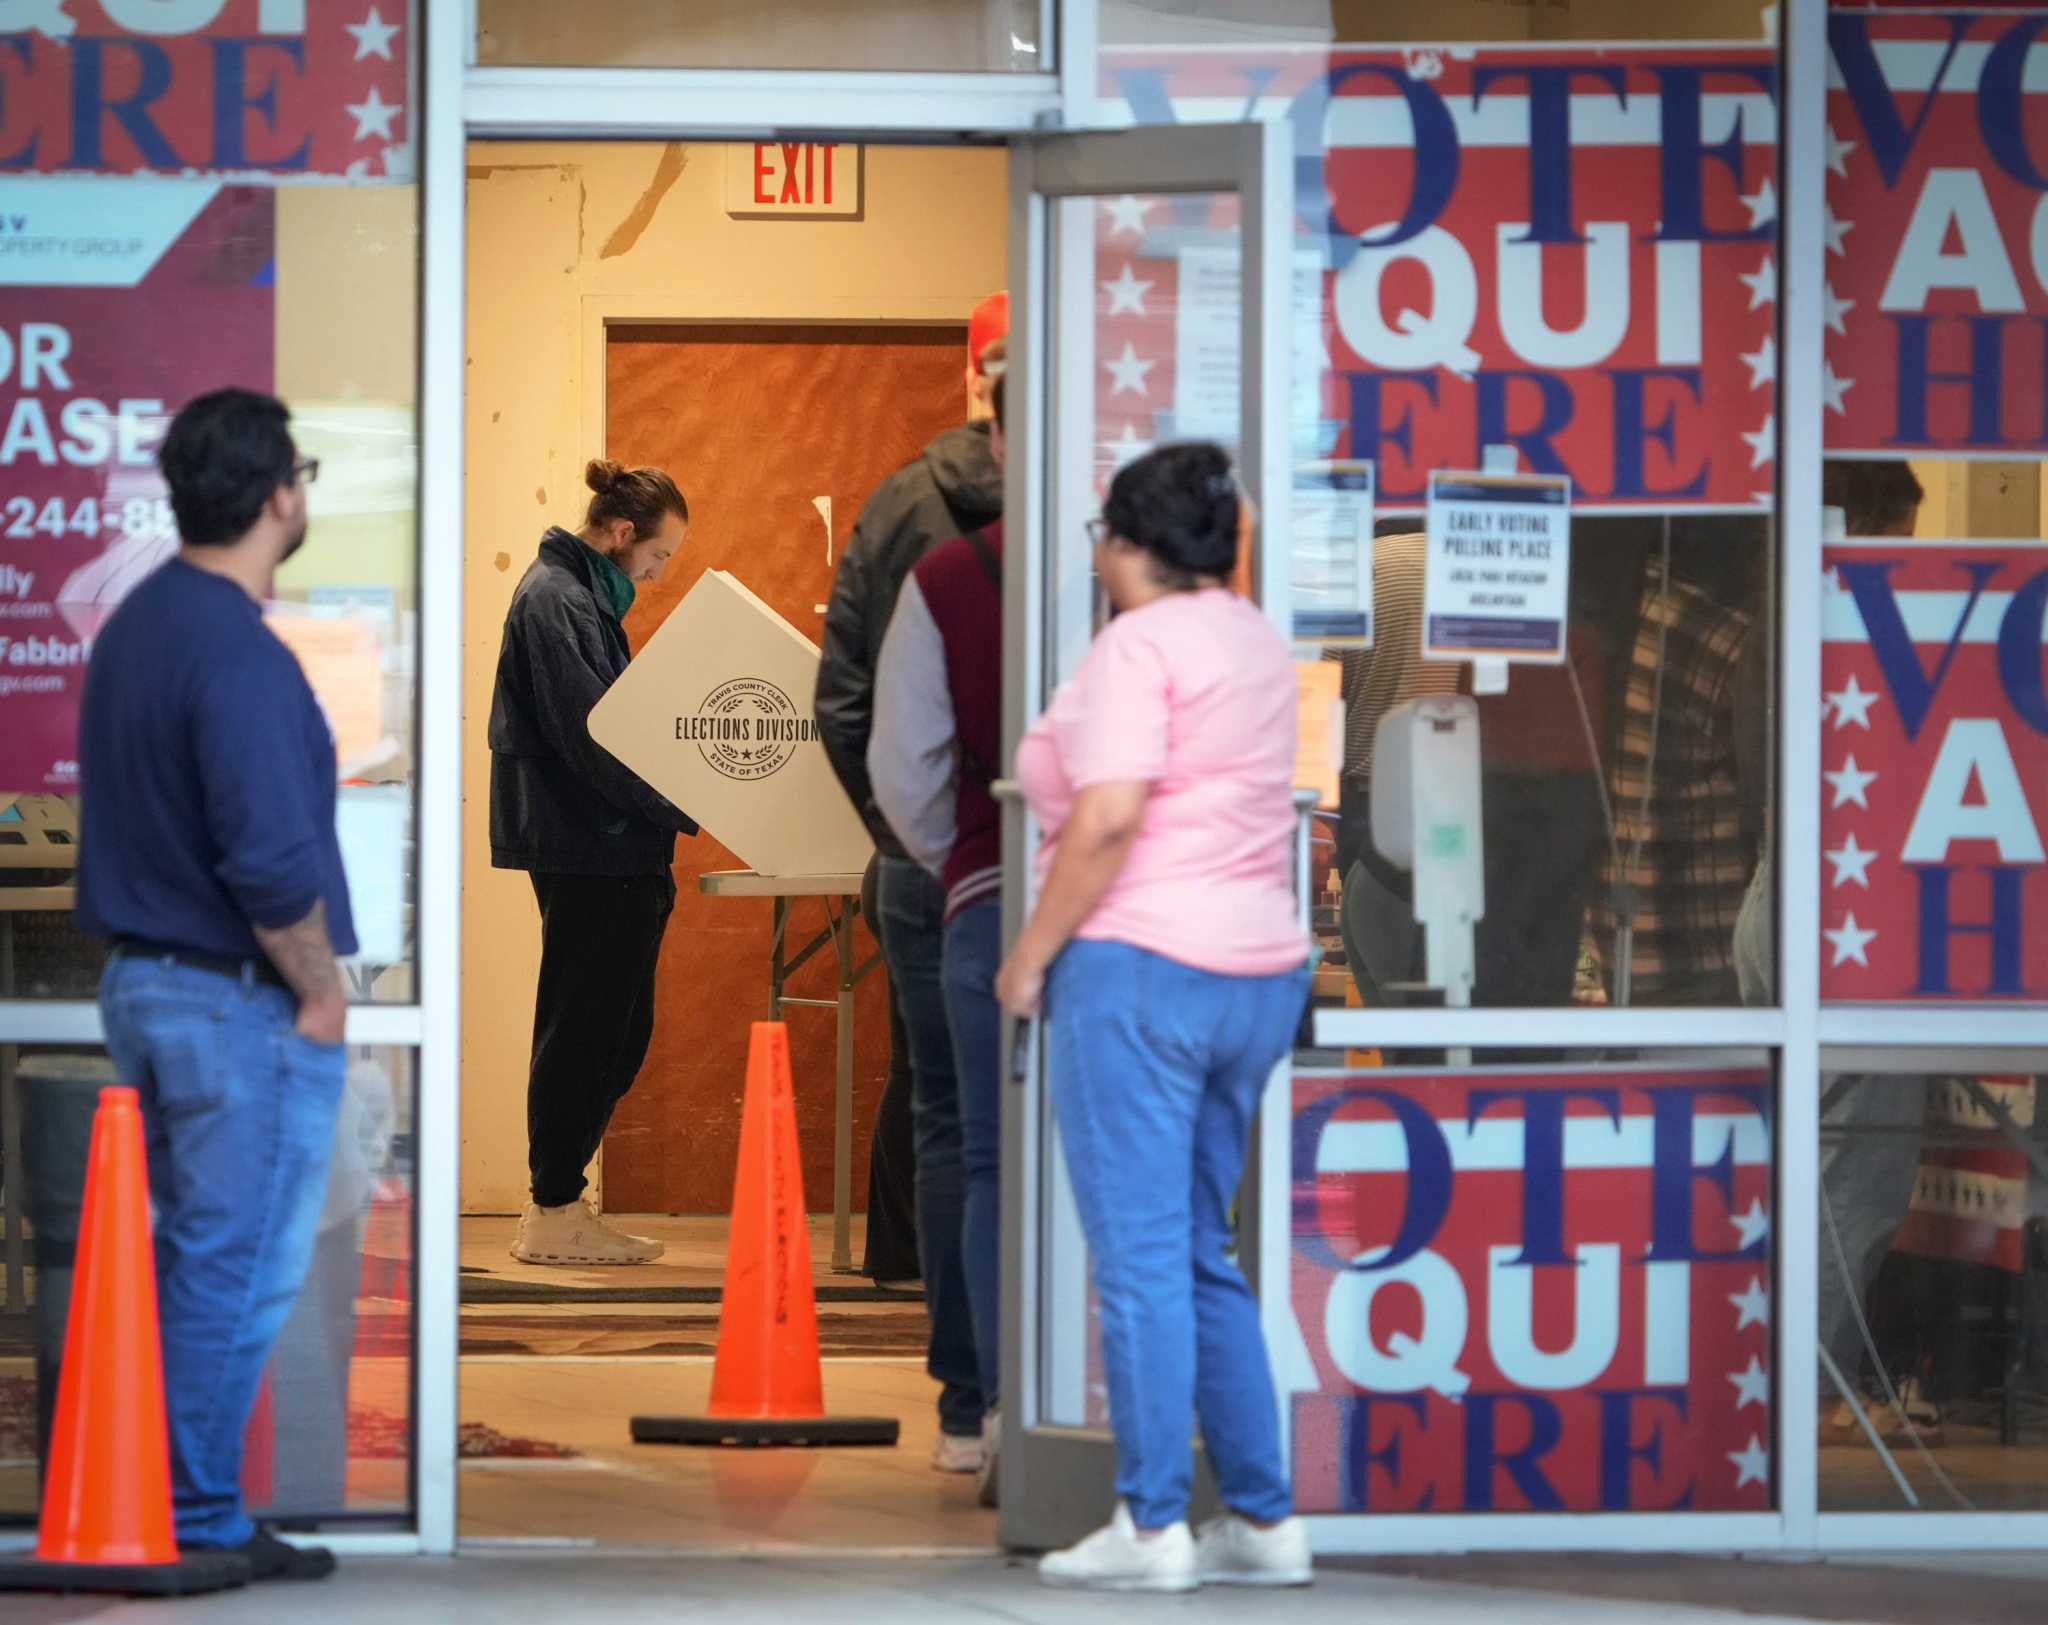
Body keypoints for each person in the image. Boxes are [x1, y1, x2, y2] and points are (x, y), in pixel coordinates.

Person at [997, 443, 1313, 1593]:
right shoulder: (1251, 636)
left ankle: (1149, 1522)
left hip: (1140, 969)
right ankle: (1264, 1518)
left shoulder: (1138, 646)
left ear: (1127, 545)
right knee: (1195, 1248)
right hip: (1254, 972)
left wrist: (1028, 958)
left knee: (1135, 1257)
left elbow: (1109, 816)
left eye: (1101, 536)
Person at [75, 387, 352, 1582]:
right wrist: (321, 987)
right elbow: (265, 851)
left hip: (147, 980)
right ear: (279, 491)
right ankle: (191, 1509)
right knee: (235, 1261)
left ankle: (182, 1497)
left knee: (192, 1254)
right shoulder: (232, 645)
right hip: (230, 997)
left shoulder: (140, 624)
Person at [816, 293, 1008, 1469]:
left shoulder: (898, 505)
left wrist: (913, 841)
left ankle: (963, 1401)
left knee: (951, 1128)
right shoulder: (1100, 523)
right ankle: (1054, 1397)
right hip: (1065, 869)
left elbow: (841, 703)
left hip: (930, 863)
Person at [1732, 460, 1938, 1442]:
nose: (1903, 558)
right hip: (1844, 912)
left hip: (1779, 896)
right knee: (1855, 1171)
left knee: (1803, 1154)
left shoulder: (1778, 613)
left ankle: (1768, 1369)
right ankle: (1798, 1383)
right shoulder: (1859, 627)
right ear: (1859, 525)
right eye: (1894, 534)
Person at [489, 459, 697, 1266]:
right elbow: (599, 738)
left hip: (604, 844)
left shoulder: (578, 597)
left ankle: (559, 1201)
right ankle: (553, 1209)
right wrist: (688, 801)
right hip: (590, 846)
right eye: (661, 554)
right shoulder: (557, 599)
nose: (659, 569)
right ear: (620, 533)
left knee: (611, 1026)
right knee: (586, 1027)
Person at [867, 369, 1009, 1505]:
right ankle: (1077, 1405)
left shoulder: (941, 566)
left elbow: (885, 746)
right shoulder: (1149, 572)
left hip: (976, 887)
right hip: (1127, 908)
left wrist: (947, 854)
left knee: (968, 1139)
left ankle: (973, 1403)